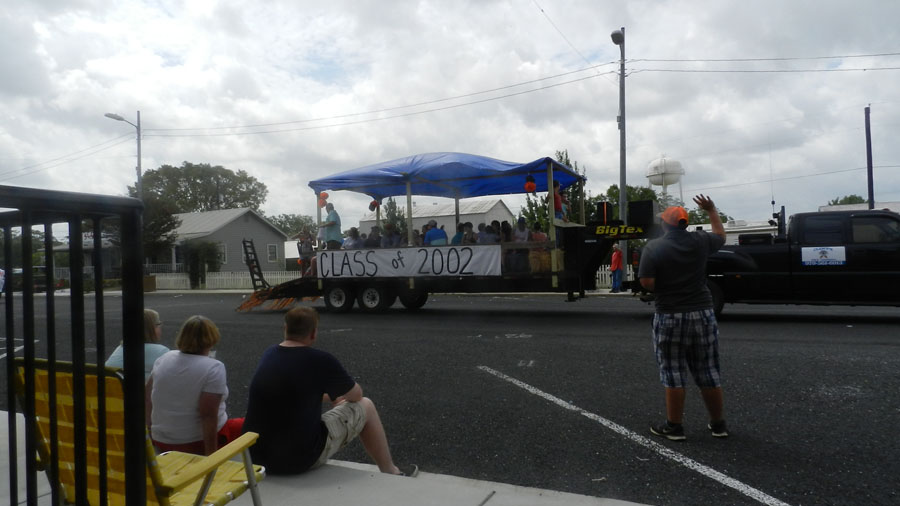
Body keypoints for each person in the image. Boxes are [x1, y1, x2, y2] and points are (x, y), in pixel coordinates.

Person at [242, 307, 417, 476]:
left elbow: (293, 394)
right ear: (313, 333)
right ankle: (391, 470)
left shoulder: (269, 354)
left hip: (256, 457)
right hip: (297, 459)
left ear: (286, 328)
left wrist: (328, 395)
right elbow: (356, 395)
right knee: (367, 405)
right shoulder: (321, 360)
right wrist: (337, 395)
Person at [638, 194, 728, 441]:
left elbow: (647, 282)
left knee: (673, 372)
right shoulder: (700, 241)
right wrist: (711, 210)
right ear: (685, 224)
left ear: (665, 225)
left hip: (669, 315)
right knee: (708, 371)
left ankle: (674, 427)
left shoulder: (654, 247)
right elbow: (721, 236)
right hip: (702, 312)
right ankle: (718, 425)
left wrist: (666, 287)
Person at [146, 316, 244, 455]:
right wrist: (211, 458)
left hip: (161, 440)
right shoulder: (213, 367)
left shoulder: (165, 358)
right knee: (252, 424)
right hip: (195, 443)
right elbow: (208, 415)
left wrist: (151, 434)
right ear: (212, 338)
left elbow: (147, 398)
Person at [106, 308, 169, 383]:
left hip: (110, 391)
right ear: (151, 328)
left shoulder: (120, 348)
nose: (161, 327)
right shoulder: (161, 351)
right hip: (136, 393)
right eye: (158, 324)